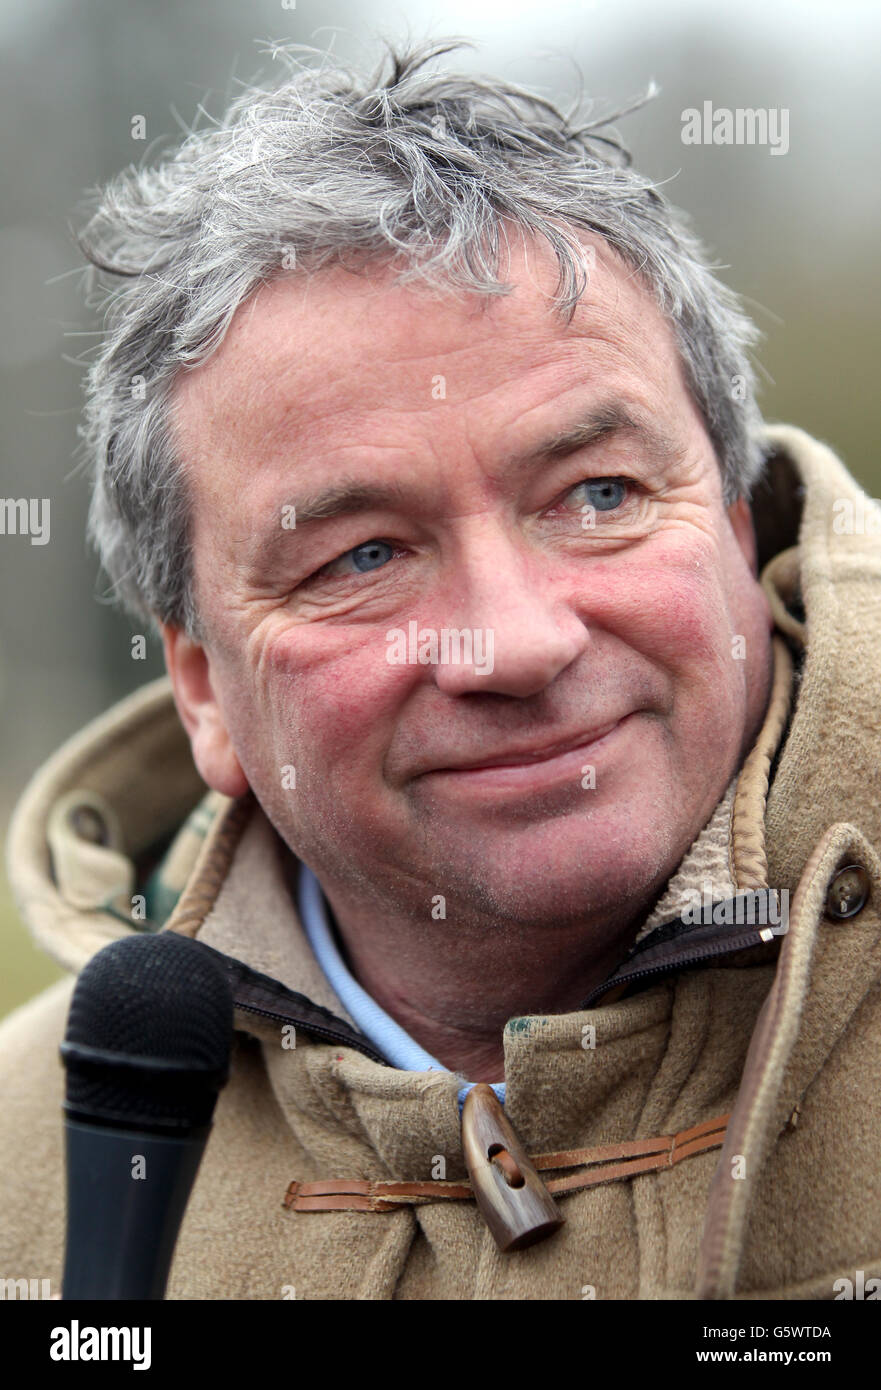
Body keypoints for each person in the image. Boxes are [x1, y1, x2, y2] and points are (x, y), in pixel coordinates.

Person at [2, 37, 879, 1300]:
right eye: (361, 557)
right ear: (203, 688)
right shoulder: (25, 1179)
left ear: (737, 529)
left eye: (596, 493)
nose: (515, 641)